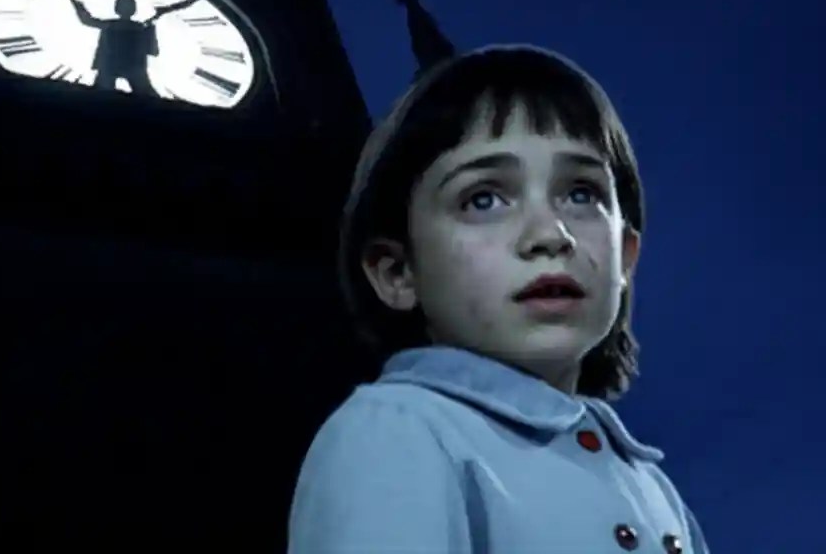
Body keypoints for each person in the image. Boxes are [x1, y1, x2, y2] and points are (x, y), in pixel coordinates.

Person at [287, 45, 710, 553]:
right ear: (398, 271)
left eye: (581, 194)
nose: (550, 234)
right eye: (483, 198)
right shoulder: (396, 429)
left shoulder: (649, 482)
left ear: (626, 256)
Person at [63, 0, 199, 96]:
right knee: (147, 96)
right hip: (134, 68)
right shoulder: (141, 27)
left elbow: (86, 20)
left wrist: (74, 1)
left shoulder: (111, 25)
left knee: (99, 96)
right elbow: (153, 51)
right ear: (134, 10)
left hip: (110, 66)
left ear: (116, 8)